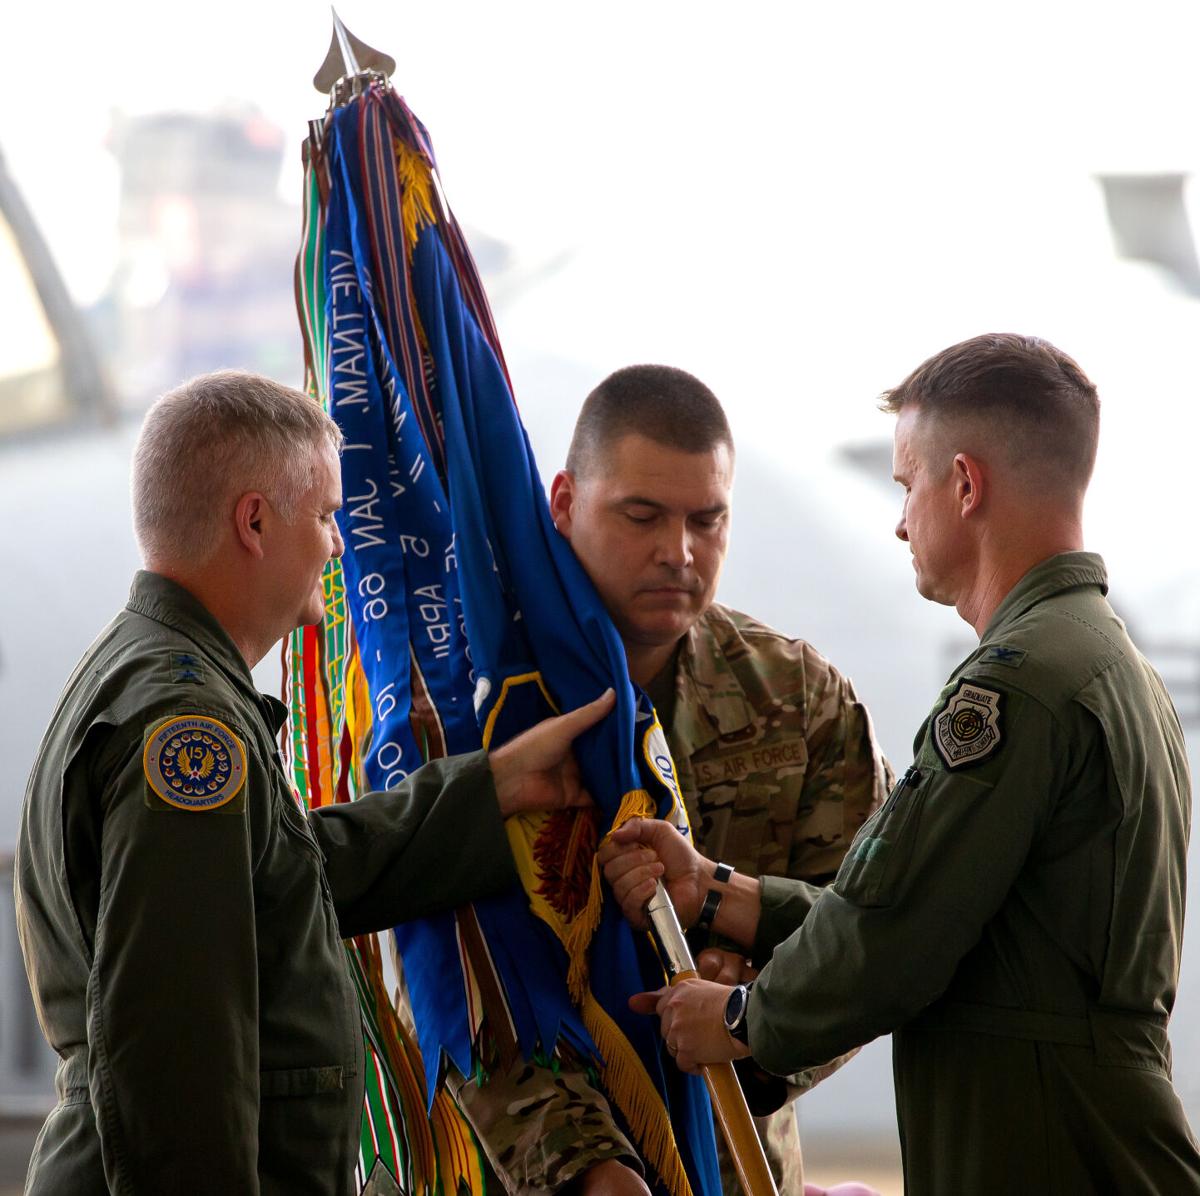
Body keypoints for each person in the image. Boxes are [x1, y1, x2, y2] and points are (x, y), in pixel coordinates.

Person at [600, 335, 1200, 1194]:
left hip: (1042, 1144)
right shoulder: (1111, 665)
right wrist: (720, 893)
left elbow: (894, 932)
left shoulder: (1014, 688)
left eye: (907, 485)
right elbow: (961, 925)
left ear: (964, 484)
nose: (899, 518)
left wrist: (741, 1018)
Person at [15, 370, 616, 1196]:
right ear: (254, 521)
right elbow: (180, 1053)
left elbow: (280, 879)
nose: (338, 544)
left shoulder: (147, 671)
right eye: (328, 515)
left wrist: (493, 789)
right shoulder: (187, 730)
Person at [446, 364, 892, 1195]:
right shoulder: (483, 712)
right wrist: (588, 1168)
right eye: (642, 516)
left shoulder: (796, 699)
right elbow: (455, 976)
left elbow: (875, 934)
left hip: (734, 1157)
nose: (678, 553)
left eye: (707, 521)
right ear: (563, 501)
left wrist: (758, 1019)